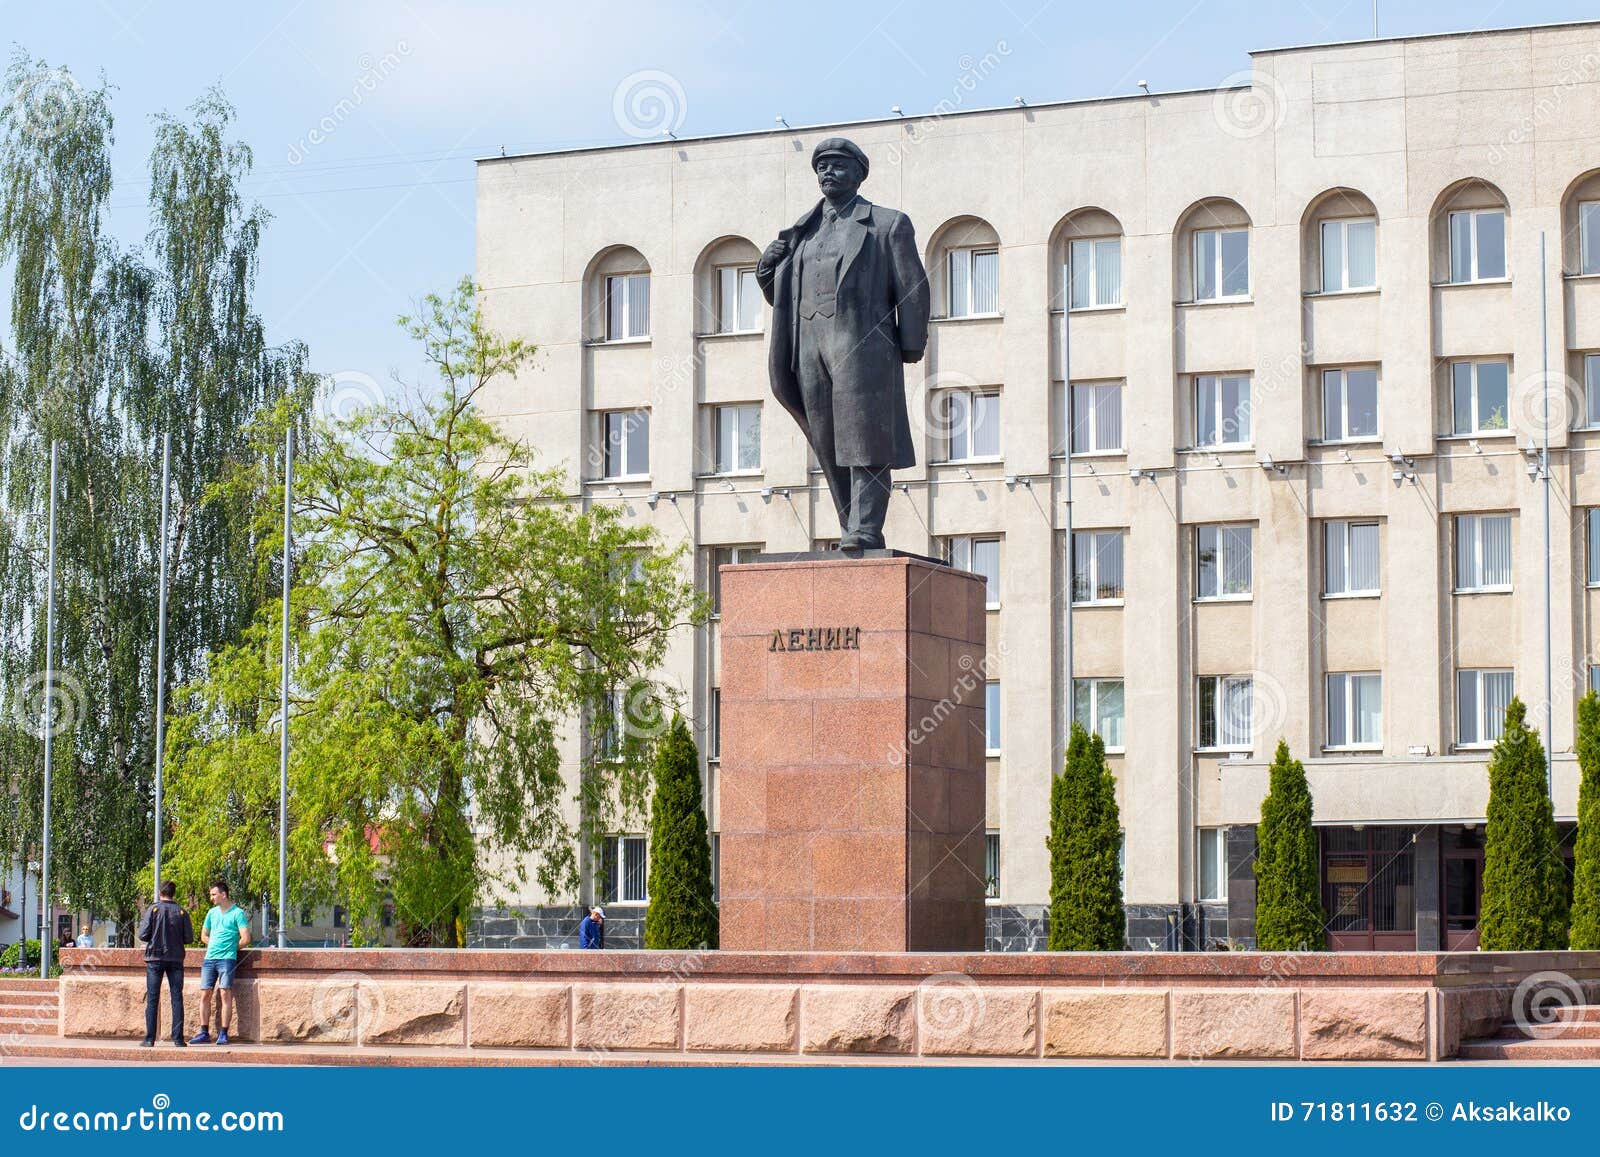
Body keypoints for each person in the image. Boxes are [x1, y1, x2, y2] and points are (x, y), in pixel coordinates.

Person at [756, 137, 930, 551]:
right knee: (827, 441)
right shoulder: (802, 234)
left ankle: (866, 527)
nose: (827, 173)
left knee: (865, 440)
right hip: (808, 349)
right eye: (822, 167)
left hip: (863, 350)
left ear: (858, 173)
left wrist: (910, 343)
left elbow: (913, 287)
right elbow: (786, 295)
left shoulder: (887, 224)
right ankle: (851, 523)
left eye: (836, 165)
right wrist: (766, 268)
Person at [190, 880, 250, 1045]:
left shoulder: (238, 913)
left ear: (223, 895)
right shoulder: (211, 913)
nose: (211, 898)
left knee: (225, 993)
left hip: (227, 959)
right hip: (209, 958)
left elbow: (246, 938)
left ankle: (223, 1033)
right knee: (205, 994)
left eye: (214, 894)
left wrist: (230, 947)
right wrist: (213, 944)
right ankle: (204, 1033)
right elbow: (203, 936)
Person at [136, 881, 193, 1048]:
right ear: (174, 894)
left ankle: (149, 1039)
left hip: (155, 958)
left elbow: (143, 935)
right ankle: (178, 1039)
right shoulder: (182, 912)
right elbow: (189, 938)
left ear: (160, 893)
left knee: (153, 999)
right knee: (177, 998)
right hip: (175, 958)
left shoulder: (153, 910)